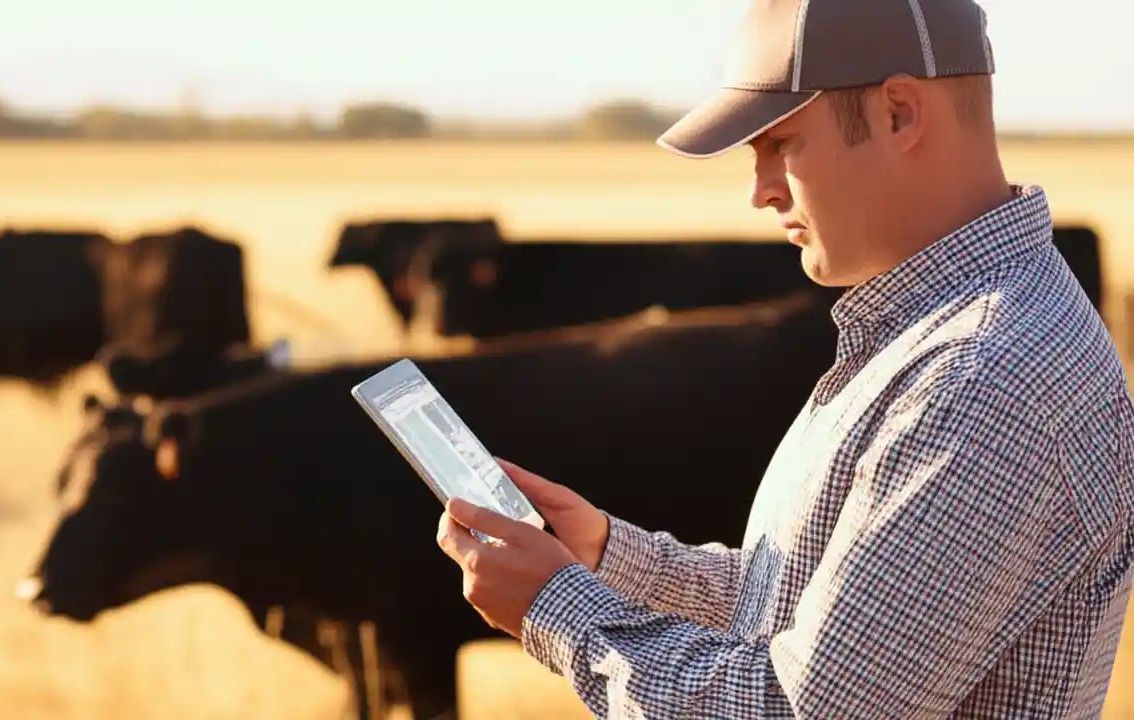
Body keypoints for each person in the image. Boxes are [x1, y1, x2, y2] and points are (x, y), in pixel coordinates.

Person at [434, 0, 1134, 717]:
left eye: (782, 144)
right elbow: (807, 607)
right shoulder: (944, 336)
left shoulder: (981, 376)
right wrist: (613, 559)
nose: (759, 191)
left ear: (899, 113)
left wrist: (560, 611)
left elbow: (803, 710)